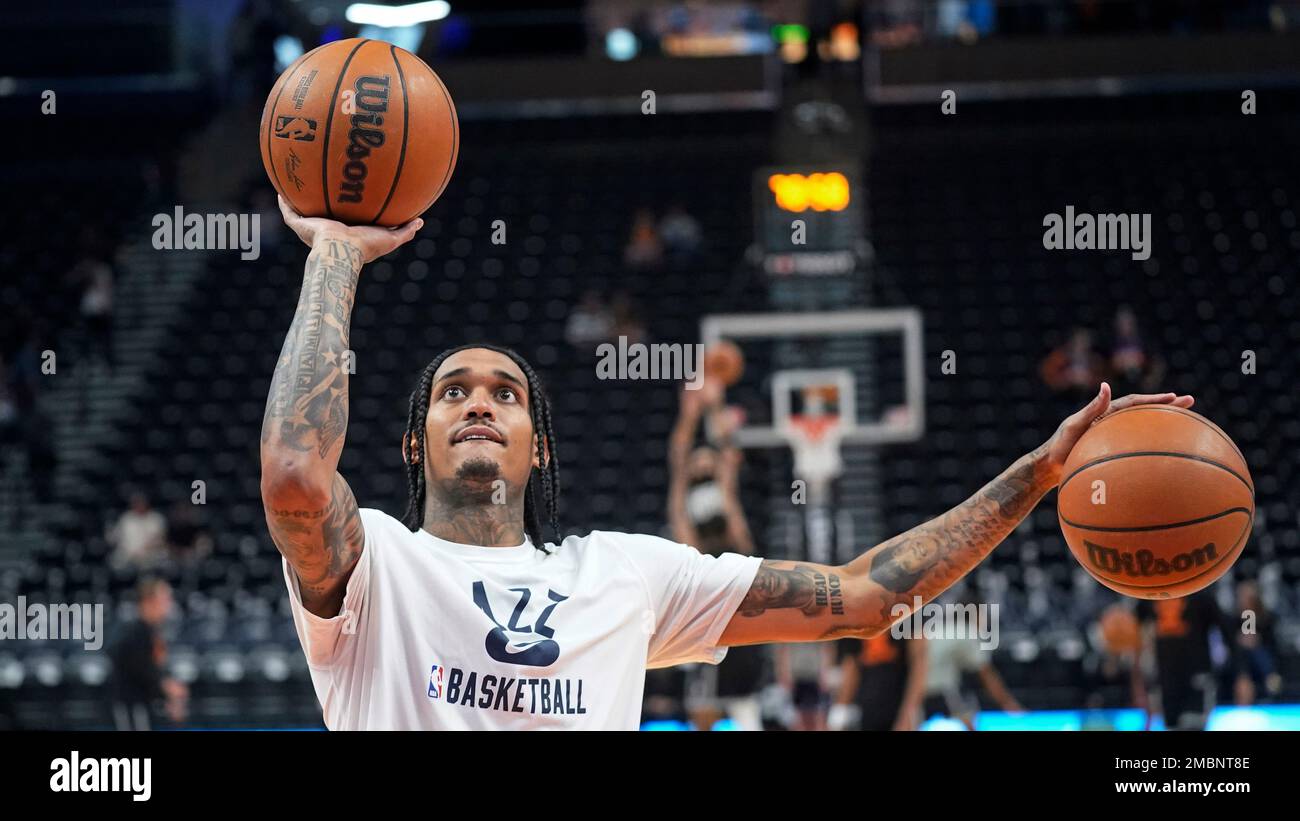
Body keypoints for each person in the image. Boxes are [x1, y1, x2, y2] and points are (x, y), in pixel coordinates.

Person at [262, 196, 1195, 730]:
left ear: (539, 443)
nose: (477, 401)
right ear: (412, 439)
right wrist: (337, 253)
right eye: (452, 391)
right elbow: (297, 473)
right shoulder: (376, 564)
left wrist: (1037, 473)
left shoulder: (628, 573)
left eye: (505, 393)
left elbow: (865, 595)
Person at [668, 381, 763, 729]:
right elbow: (678, 459)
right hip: (704, 575)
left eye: (707, 459)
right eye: (699, 460)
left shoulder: (725, 497)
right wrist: (689, 416)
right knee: (704, 700)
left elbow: (727, 457)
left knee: (744, 702)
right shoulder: (684, 500)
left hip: (735, 570)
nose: (703, 462)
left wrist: (714, 404)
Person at [1137, 589, 1236, 730]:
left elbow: (1229, 634)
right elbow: (1139, 641)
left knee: (1192, 726)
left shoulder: (1202, 596)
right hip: (1166, 682)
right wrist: (1141, 688)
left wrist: (1242, 675)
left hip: (1197, 679)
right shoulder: (1146, 597)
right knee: (1172, 726)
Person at [107, 578, 188, 730]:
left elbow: (157, 666)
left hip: (146, 704)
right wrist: (165, 687)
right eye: (164, 599)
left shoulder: (153, 632)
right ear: (149, 601)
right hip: (131, 705)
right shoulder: (133, 632)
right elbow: (140, 669)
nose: (169, 605)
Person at [921, 634, 1023, 729]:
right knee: (968, 716)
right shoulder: (965, 632)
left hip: (916, 692)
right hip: (939, 692)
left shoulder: (929, 629)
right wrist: (1009, 705)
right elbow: (986, 674)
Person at [833, 631, 927, 731]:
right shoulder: (852, 619)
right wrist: (838, 712)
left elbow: (919, 665)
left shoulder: (908, 617)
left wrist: (906, 718)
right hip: (866, 712)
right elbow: (851, 667)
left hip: (898, 708)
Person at [107, 492, 168, 571]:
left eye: (141, 502)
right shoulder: (126, 518)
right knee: (116, 563)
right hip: (128, 556)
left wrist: (147, 549)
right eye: (136, 503)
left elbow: (161, 539)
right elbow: (115, 538)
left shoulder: (156, 519)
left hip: (152, 556)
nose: (139, 505)